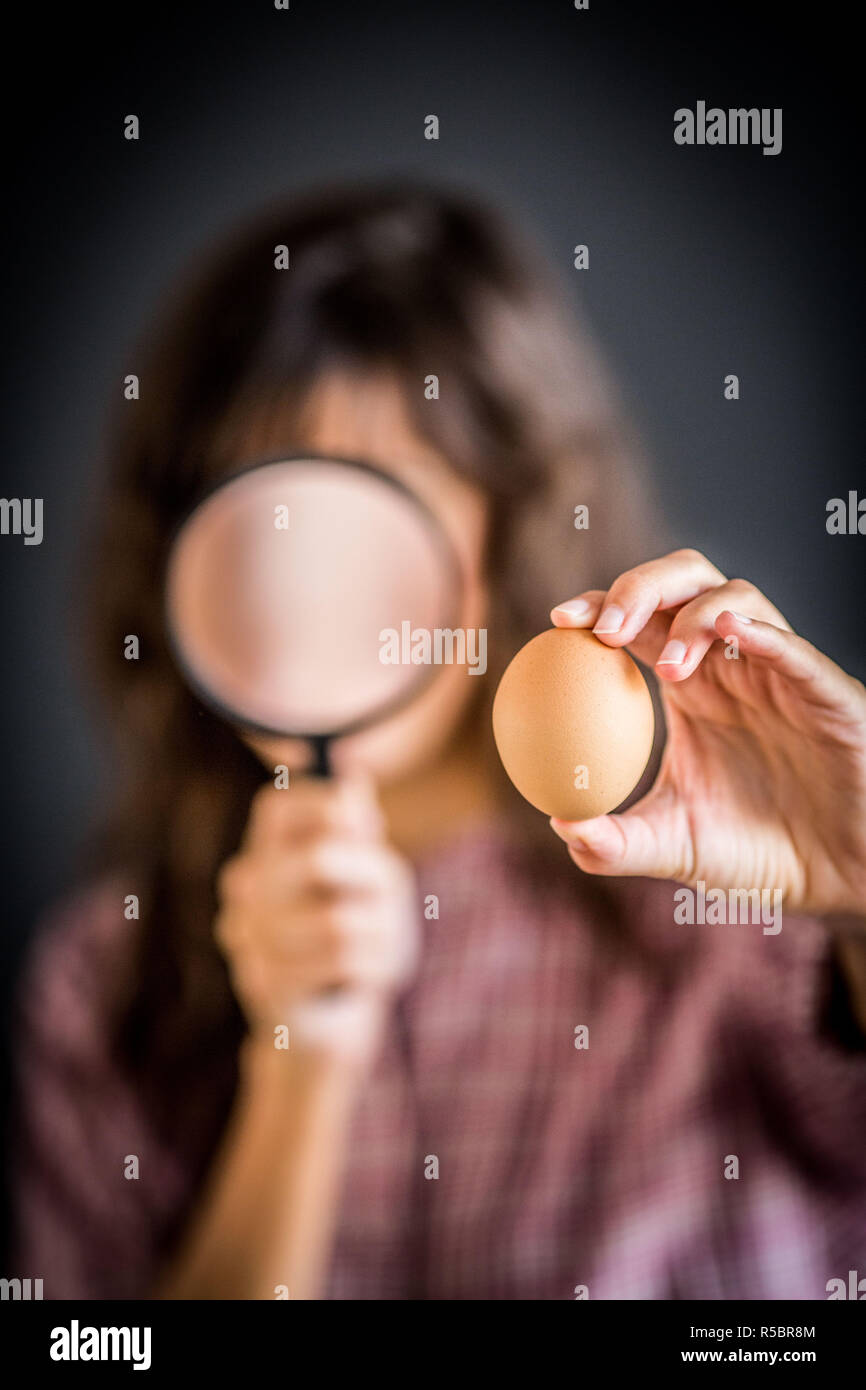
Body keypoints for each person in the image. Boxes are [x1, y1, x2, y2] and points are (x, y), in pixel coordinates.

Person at [9, 180, 866, 1300]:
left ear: (498, 525)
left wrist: (855, 886)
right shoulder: (99, 986)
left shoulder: (731, 899)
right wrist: (300, 1068)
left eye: (367, 504)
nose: (298, 588)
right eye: (252, 515)